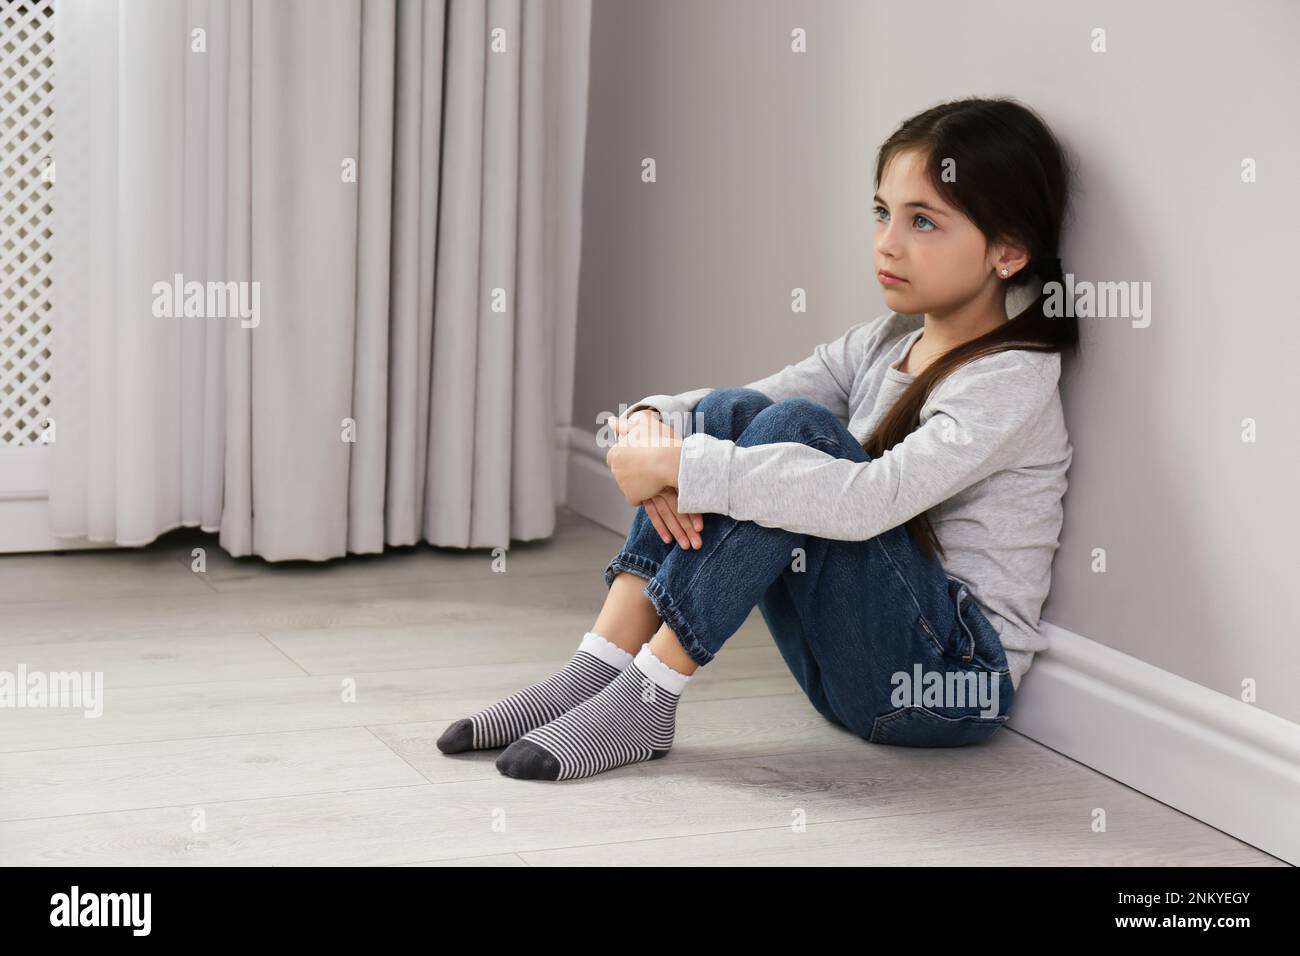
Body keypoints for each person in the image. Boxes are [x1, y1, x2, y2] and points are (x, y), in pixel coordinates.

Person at [438, 96, 1078, 781]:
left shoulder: (1011, 378)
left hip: (950, 687)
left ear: (1009, 251)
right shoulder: (888, 340)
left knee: (795, 438)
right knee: (736, 413)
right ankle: (595, 671)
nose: (888, 242)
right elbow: (742, 403)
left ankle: (648, 698)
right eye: (882, 213)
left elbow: (869, 500)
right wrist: (653, 422)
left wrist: (680, 465)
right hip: (846, 671)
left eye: (923, 221)